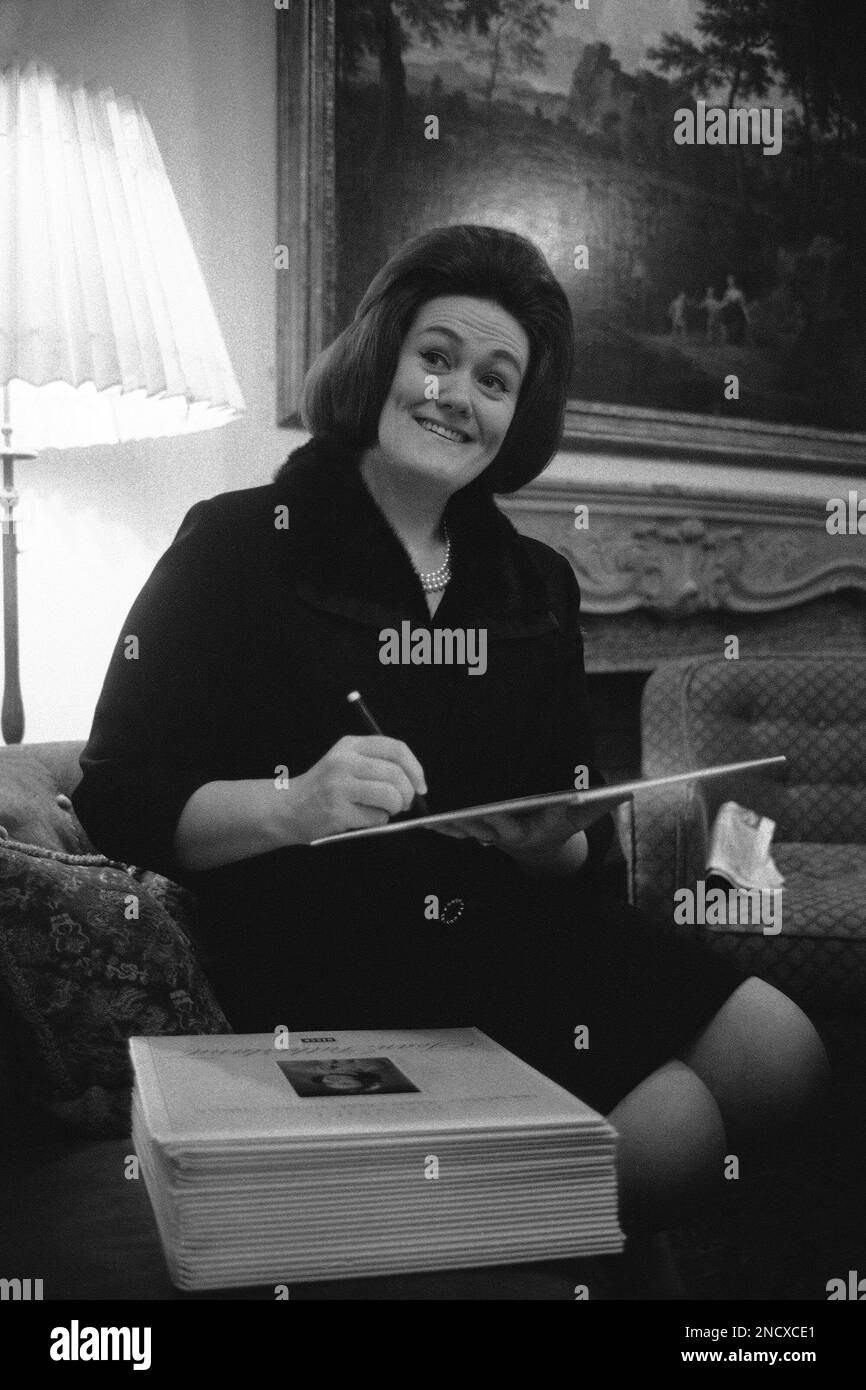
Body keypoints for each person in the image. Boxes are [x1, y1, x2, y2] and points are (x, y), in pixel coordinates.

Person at [72, 224, 828, 1238]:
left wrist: (550, 840)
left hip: (514, 924)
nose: (457, 395)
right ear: (382, 357)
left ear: (517, 414)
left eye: (495, 380)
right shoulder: (236, 541)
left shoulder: (537, 580)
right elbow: (117, 796)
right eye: (436, 356)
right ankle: (415, 1230)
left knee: (785, 1053)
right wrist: (293, 805)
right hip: (321, 943)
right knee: (676, 1132)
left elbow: (573, 833)